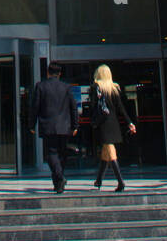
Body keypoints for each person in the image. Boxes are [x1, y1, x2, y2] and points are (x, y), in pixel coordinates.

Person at [30, 62, 78, 193]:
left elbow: (35, 107)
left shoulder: (40, 86)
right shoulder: (66, 87)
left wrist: (31, 124)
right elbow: (73, 107)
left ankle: (59, 178)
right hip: (64, 126)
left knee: (51, 153)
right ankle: (58, 183)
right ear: (60, 74)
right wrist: (75, 125)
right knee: (61, 155)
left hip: (48, 126)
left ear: (48, 72)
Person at [89, 64, 135, 192]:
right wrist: (129, 122)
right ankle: (98, 180)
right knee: (106, 152)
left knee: (110, 151)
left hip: (103, 124)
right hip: (113, 123)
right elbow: (121, 108)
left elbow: (93, 106)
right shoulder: (114, 88)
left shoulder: (95, 88)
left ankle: (120, 181)